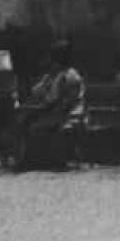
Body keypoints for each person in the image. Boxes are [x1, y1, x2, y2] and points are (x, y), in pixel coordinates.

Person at [18, 40, 87, 170]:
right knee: (24, 120)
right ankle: (30, 159)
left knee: (34, 125)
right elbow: (37, 93)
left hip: (68, 114)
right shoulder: (53, 76)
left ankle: (41, 160)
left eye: (53, 58)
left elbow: (65, 102)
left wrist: (45, 109)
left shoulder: (71, 76)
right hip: (53, 111)